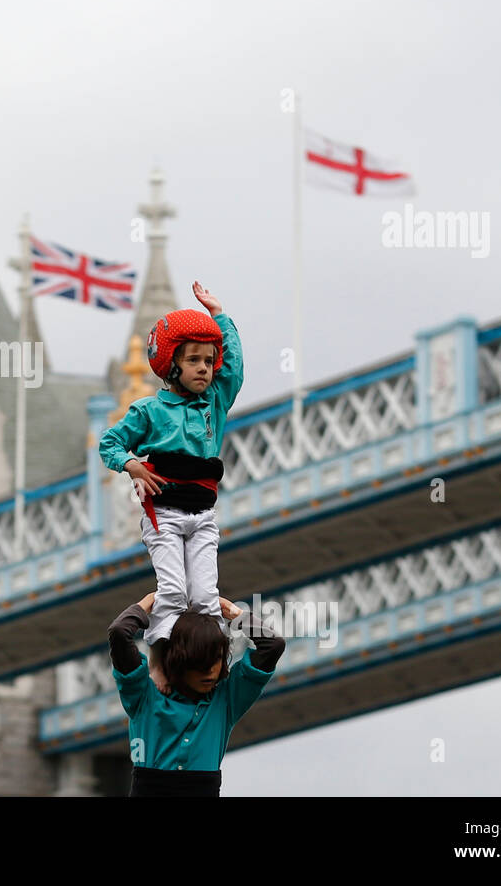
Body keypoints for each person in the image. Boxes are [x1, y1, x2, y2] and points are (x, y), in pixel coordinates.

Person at [98, 282, 243, 695]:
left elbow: (235, 369)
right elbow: (109, 443)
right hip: (164, 515)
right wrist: (132, 466)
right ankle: (160, 663)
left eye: (209, 361)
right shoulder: (149, 410)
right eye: (194, 359)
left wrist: (220, 317)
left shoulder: (215, 402)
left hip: (203, 516)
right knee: (175, 592)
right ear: (171, 365)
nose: (205, 368)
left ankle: (216, 661)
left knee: (206, 597)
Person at [107, 591, 285, 796]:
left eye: (216, 660)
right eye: (200, 663)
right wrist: (152, 600)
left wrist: (235, 613)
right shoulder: (144, 696)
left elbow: (273, 646)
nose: (209, 671)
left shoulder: (226, 700)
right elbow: (119, 632)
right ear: (178, 660)